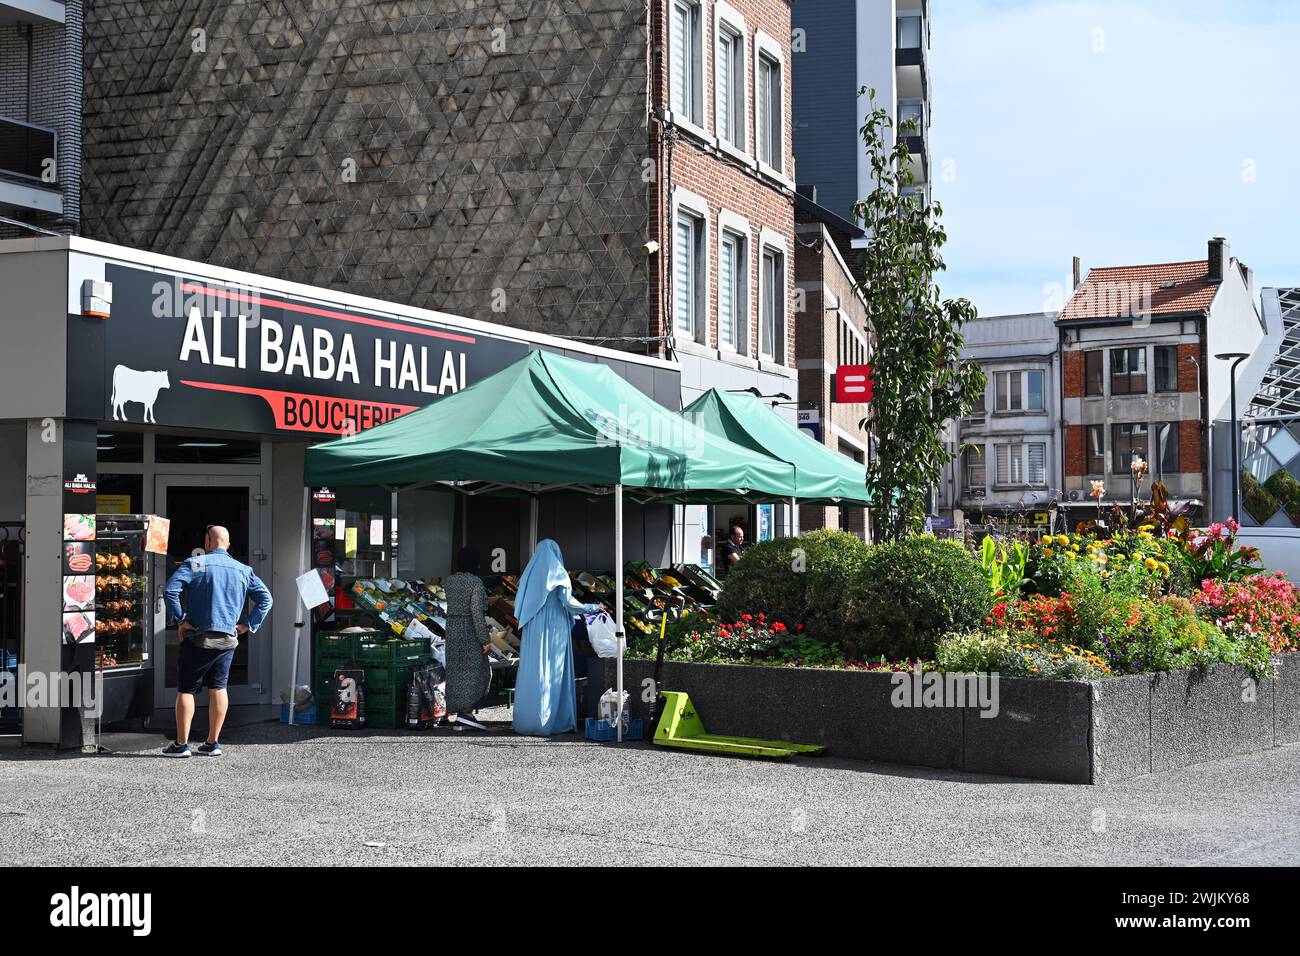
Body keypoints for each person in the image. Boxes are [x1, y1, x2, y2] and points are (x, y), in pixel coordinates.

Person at [161, 525, 273, 757]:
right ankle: (212, 743)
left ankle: (181, 745)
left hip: (198, 636)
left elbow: (171, 591)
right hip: (228, 639)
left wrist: (181, 619)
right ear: (228, 544)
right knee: (219, 687)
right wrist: (246, 625)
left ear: (207, 542)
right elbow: (266, 600)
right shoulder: (243, 569)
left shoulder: (196, 564)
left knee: (186, 690)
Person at [512, 539, 601, 737]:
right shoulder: (558, 572)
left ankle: (528, 719)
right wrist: (592, 607)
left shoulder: (529, 574)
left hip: (533, 627)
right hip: (554, 627)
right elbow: (568, 603)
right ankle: (553, 719)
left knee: (534, 670)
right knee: (552, 670)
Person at [443, 546, 493, 731]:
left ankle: (459, 715)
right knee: (476, 672)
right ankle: (467, 714)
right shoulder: (476, 583)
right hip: (469, 632)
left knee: (456, 673)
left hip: (452, 630)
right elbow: (476, 614)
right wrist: (485, 640)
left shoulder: (450, 581)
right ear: (476, 563)